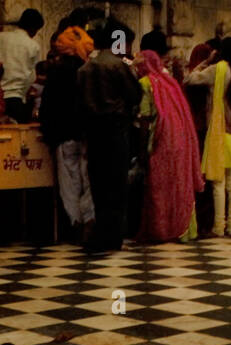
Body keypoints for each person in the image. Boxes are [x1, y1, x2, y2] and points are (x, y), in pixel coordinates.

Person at [77, 18, 142, 254]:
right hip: (115, 129)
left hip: (93, 131)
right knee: (116, 185)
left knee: (99, 185)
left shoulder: (85, 68)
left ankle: (100, 235)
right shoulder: (117, 65)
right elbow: (135, 94)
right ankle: (112, 238)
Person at [133, 50, 203, 243]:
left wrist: (142, 149)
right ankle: (185, 231)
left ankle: (161, 230)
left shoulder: (146, 83)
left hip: (161, 139)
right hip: (180, 140)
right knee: (180, 184)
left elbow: (145, 118)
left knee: (158, 185)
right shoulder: (169, 83)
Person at [187, 36, 231, 237]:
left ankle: (218, 228)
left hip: (219, 133)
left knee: (218, 182)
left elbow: (189, 79)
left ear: (220, 52)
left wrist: (206, 61)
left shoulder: (217, 69)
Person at [41, 26, 96, 238]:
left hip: (64, 136)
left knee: (70, 182)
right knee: (88, 178)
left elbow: (48, 106)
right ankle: (90, 217)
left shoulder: (56, 72)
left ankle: (77, 223)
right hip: (86, 133)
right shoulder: (88, 69)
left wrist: (49, 134)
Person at [0, 7, 44, 123]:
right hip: (16, 100)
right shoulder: (33, 46)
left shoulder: (0, 38)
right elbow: (32, 77)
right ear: (33, 29)